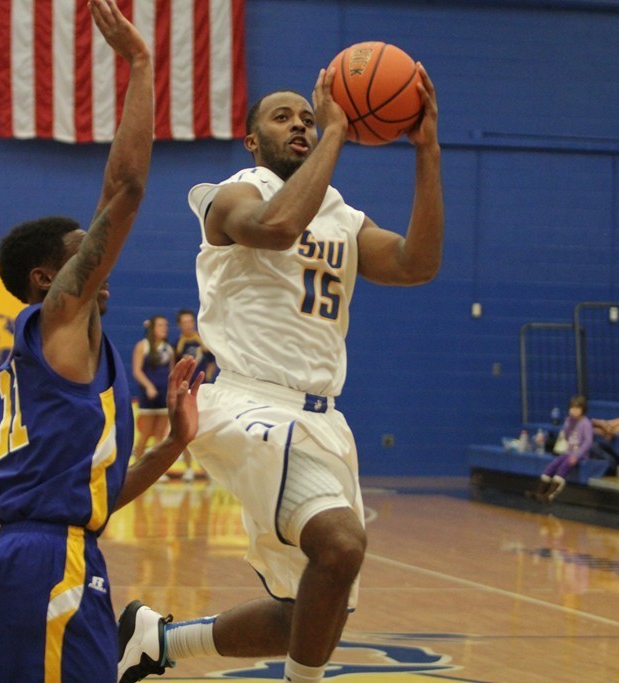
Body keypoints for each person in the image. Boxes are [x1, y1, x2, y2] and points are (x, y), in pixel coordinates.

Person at [116, 61, 443, 683]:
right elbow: (275, 227)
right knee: (341, 544)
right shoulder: (233, 194)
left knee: (309, 617)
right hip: (249, 404)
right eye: (283, 117)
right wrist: (338, 133)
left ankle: (159, 640)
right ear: (253, 139)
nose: (300, 124)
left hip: (323, 419)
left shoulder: (343, 216)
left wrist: (426, 152)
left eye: (307, 117)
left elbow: (416, 263)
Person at [0, 3, 203, 681]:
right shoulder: (58, 320)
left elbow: (98, 499)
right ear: (47, 278)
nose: (104, 266)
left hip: (12, 565)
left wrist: (172, 443)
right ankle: (137, 645)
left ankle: (133, 644)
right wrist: (142, 65)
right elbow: (127, 187)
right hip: (46, 571)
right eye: (89, 255)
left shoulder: (59, 362)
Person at [173, 308, 215, 482]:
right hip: (185, 391)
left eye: (191, 321)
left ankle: (207, 469)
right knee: (185, 430)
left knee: (204, 430)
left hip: (202, 391)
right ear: (179, 325)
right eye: (185, 322)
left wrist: (209, 377)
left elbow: (212, 361)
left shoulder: (202, 341)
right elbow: (173, 367)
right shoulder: (178, 344)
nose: (189, 325)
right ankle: (189, 468)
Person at [528, 395, 593, 502]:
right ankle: (539, 492)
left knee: (563, 468)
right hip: (568, 452)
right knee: (552, 466)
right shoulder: (571, 422)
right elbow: (566, 436)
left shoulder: (586, 423)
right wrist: (568, 424)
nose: (574, 411)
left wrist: (577, 456)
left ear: (583, 409)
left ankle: (550, 495)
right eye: (572, 408)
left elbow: (588, 442)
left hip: (579, 455)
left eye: (577, 408)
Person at [132, 314, 174, 461]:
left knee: (160, 434)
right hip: (148, 395)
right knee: (146, 432)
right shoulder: (143, 346)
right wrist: (149, 386)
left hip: (164, 395)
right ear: (152, 328)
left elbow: (171, 372)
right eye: (161, 325)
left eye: (166, 325)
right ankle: (136, 466)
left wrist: (172, 392)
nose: (165, 328)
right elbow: (137, 371)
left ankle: (154, 470)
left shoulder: (168, 349)